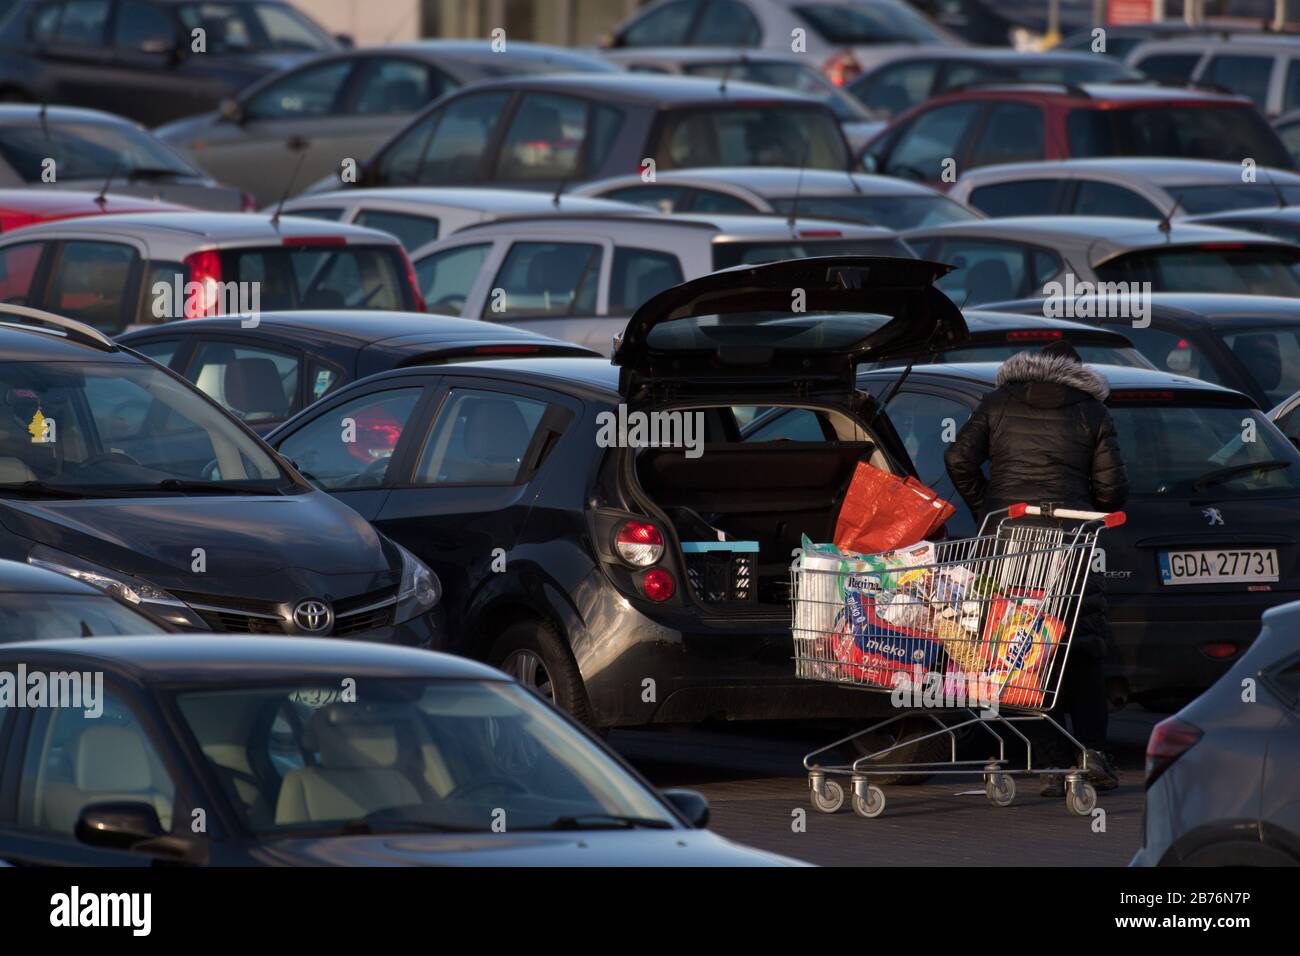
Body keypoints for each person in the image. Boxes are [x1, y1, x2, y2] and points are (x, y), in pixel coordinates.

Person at [943, 341, 1128, 794]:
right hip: (1069, 544)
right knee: (1079, 648)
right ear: (1076, 372)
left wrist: (989, 506)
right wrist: (1087, 505)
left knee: (1012, 646)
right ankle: (1090, 754)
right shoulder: (1092, 412)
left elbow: (957, 458)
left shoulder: (998, 402)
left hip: (1007, 543)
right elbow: (1112, 491)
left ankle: (1049, 756)